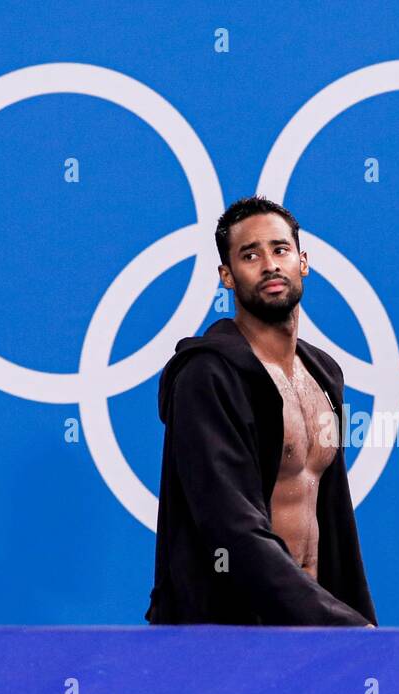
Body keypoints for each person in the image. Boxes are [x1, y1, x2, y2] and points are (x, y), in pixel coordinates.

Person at [144, 196, 376, 626]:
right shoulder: (207, 376)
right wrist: (340, 622)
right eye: (250, 255)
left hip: (310, 624)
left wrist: (355, 615)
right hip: (224, 633)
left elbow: (335, 520)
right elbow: (229, 526)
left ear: (303, 262)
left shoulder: (324, 374)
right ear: (226, 277)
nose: (269, 264)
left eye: (280, 250)